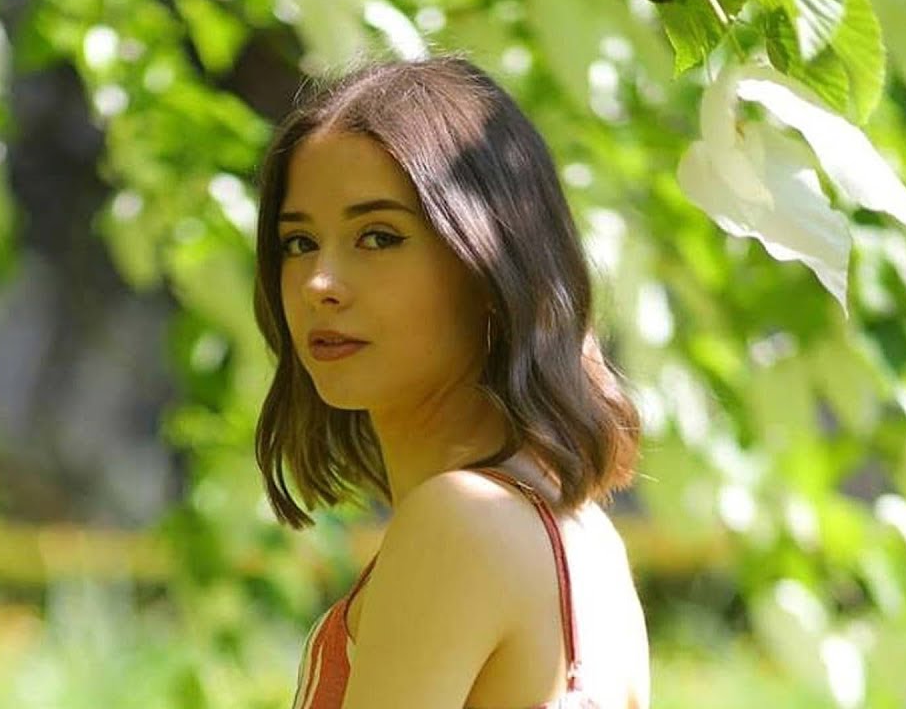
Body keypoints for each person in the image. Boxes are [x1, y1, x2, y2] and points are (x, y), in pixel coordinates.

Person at [250, 55, 650, 709]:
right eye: (298, 243)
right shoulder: (588, 541)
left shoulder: (461, 522)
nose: (319, 283)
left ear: (488, 264)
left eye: (377, 237)